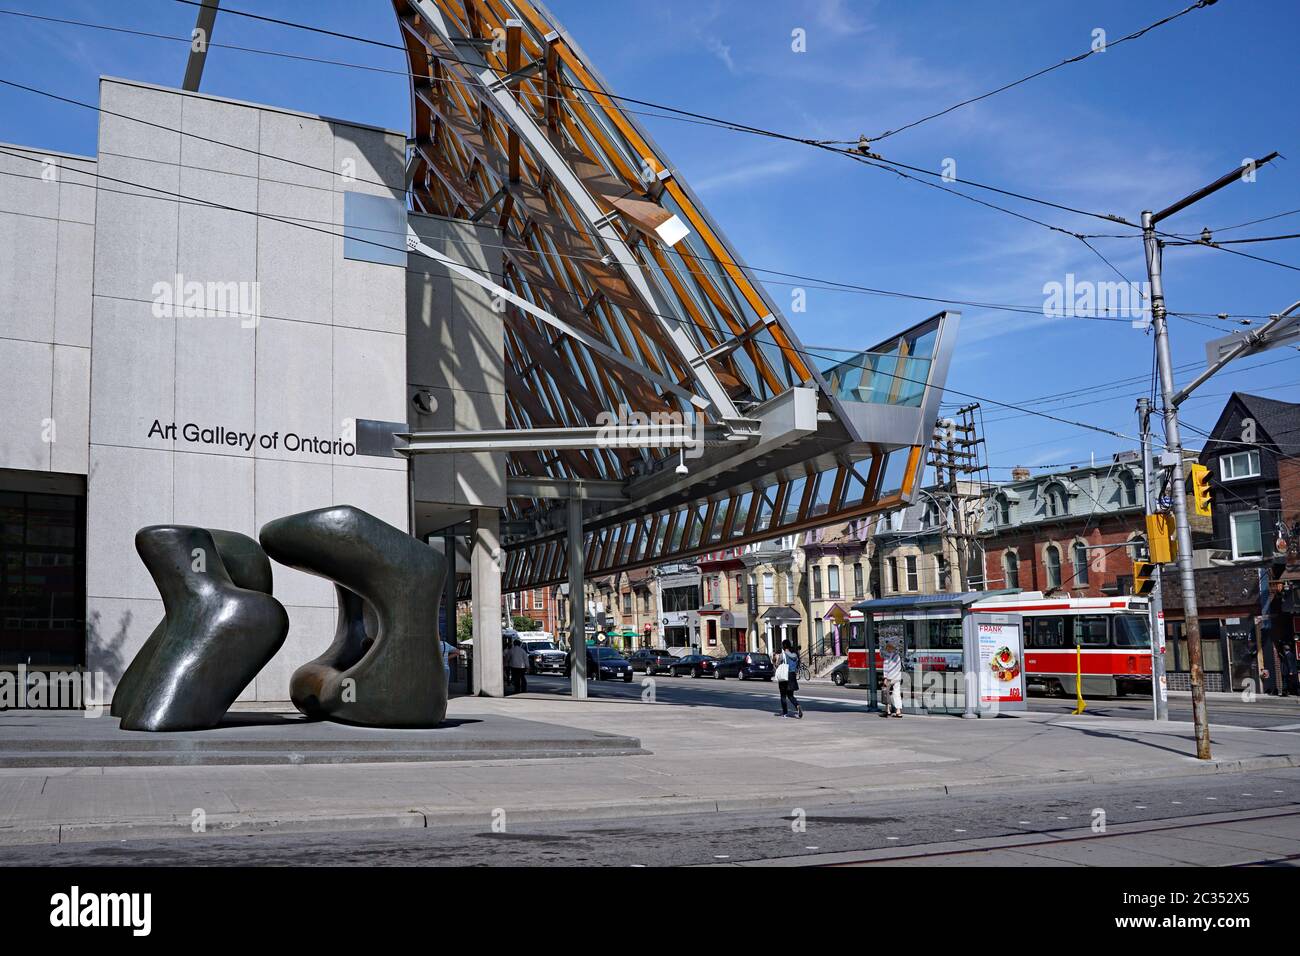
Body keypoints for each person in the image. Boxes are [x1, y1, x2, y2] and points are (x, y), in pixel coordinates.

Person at [774, 638, 803, 719]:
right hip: (792, 676)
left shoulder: (783, 655)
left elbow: (777, 664)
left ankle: (785, 713)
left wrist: (776, 659)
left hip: (784, 676)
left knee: (783, 695)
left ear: (784, 646)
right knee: (790, 695)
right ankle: (797, 706)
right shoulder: (795, 655)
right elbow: (797, 666)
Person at [881, 635, 904, 718]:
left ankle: (887, 710)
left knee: (886, 693)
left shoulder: (887, 657)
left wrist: (885, 678)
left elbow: (886, 668)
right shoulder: (898, 656)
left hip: (890, 677)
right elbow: (900, 667)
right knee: (897, 694)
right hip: (897, 677)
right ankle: (898, 711)